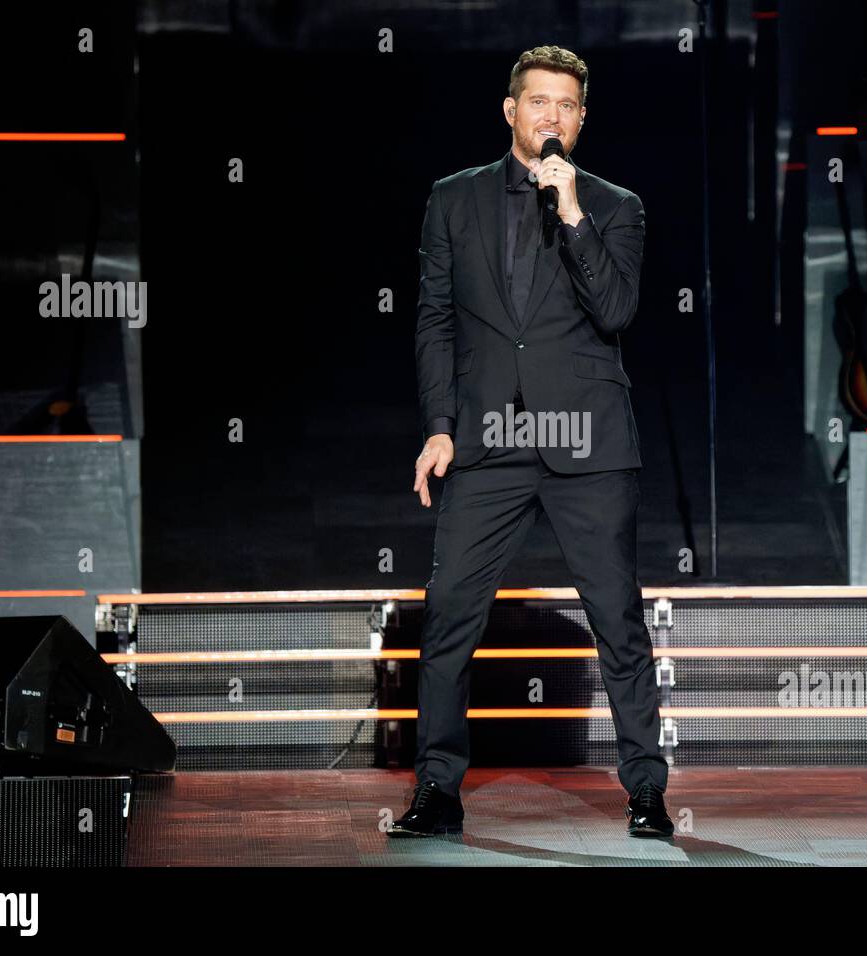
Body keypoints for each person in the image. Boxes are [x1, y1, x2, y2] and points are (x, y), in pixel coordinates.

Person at [389, 45, 672, 838]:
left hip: (589, 440)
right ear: (509, 109)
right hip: (488, 437)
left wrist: (573, 211)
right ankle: (437, 791)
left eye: (567, 106)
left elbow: (616, 311)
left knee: (617, 619)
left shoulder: (616, 206)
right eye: (538, 101)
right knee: (449, 614)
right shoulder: (453, 199)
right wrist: (439, 427)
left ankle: (647, 793)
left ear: (582, 120)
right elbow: (435, 320)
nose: (552, 116)